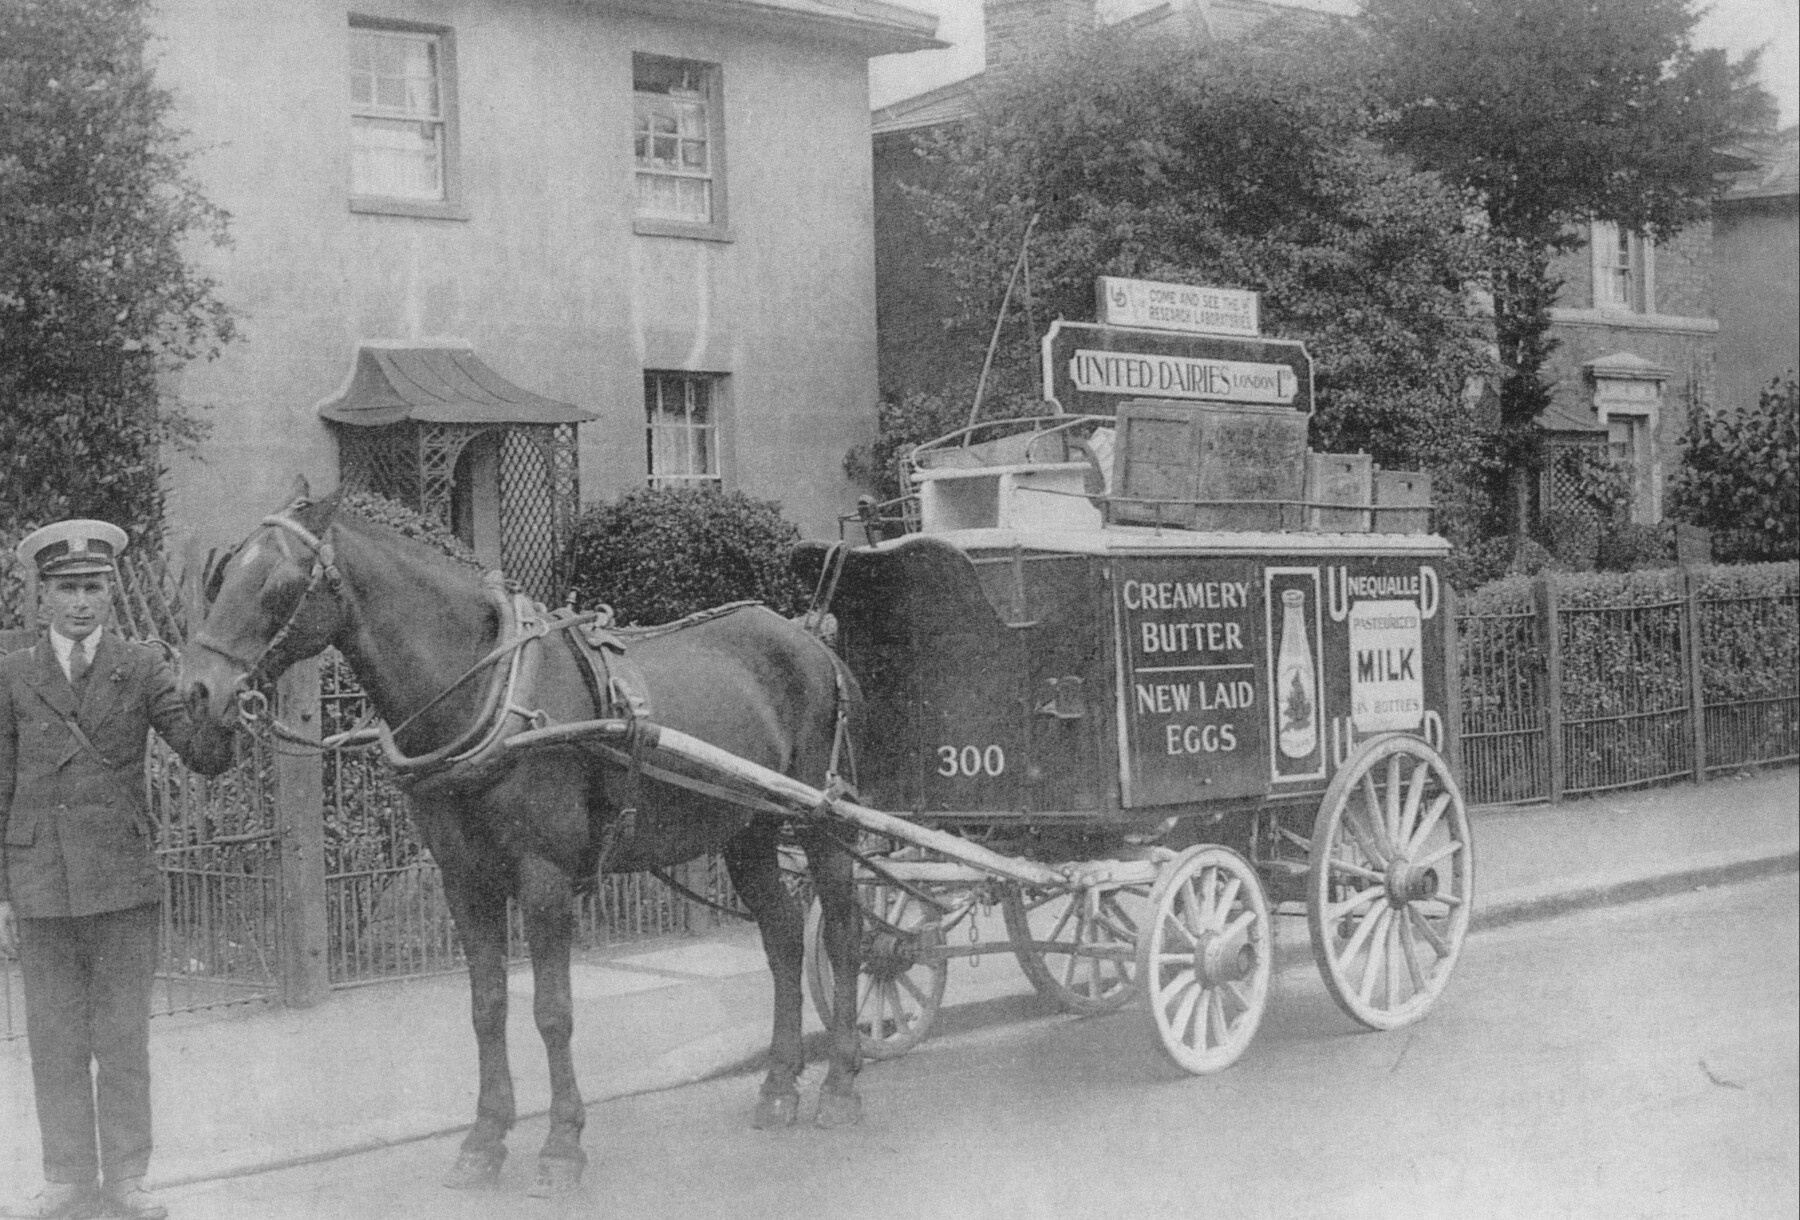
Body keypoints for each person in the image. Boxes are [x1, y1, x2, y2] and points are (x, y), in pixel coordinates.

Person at [0, 521, 235, 1220]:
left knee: (123, 1040)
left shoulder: (143, 666)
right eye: (66, 589)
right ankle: (68, 1179)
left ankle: (129, 1179)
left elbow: (202, 753)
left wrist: (221, 711)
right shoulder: (12, 673)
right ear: (41, 598)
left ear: (110, 592)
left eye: (93, 587)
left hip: (122, 883)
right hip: (41, 883)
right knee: (55, 1044)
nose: (80, 602)